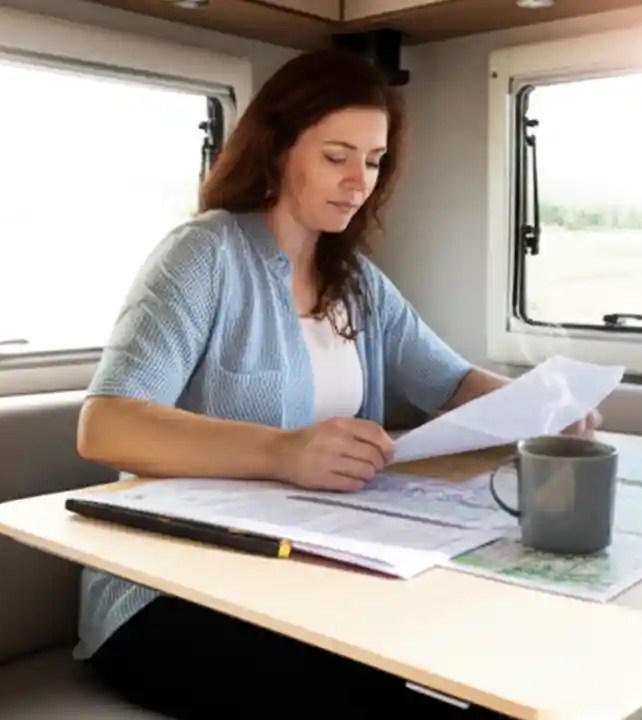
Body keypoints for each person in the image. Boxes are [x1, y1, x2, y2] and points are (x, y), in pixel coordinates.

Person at [73, 48, 602, 719]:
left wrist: (546, 405)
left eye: (375, 161)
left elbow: (451, 380)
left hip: (307, 580)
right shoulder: (202, 255)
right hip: (171, 595)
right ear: (277, 149)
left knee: (482, 671)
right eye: (336, 157)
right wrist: (285, 451)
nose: (360, 181)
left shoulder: (357, 282)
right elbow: (106, 424)